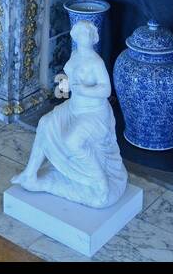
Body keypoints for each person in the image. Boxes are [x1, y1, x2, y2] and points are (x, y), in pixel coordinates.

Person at [12, 21, 128, 209]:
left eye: (88, 34)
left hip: (94, 113)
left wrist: (82, 89)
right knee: (45, 123)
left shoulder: (95, 62)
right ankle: (30, 174)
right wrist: (62, 90)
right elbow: (66, 80)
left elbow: (106, 90)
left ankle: (99, 181)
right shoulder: (74, 55)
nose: (84, 38)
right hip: (74, 107)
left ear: (93, 38)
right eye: (81, 34)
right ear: (75, 36)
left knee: (72, 141)